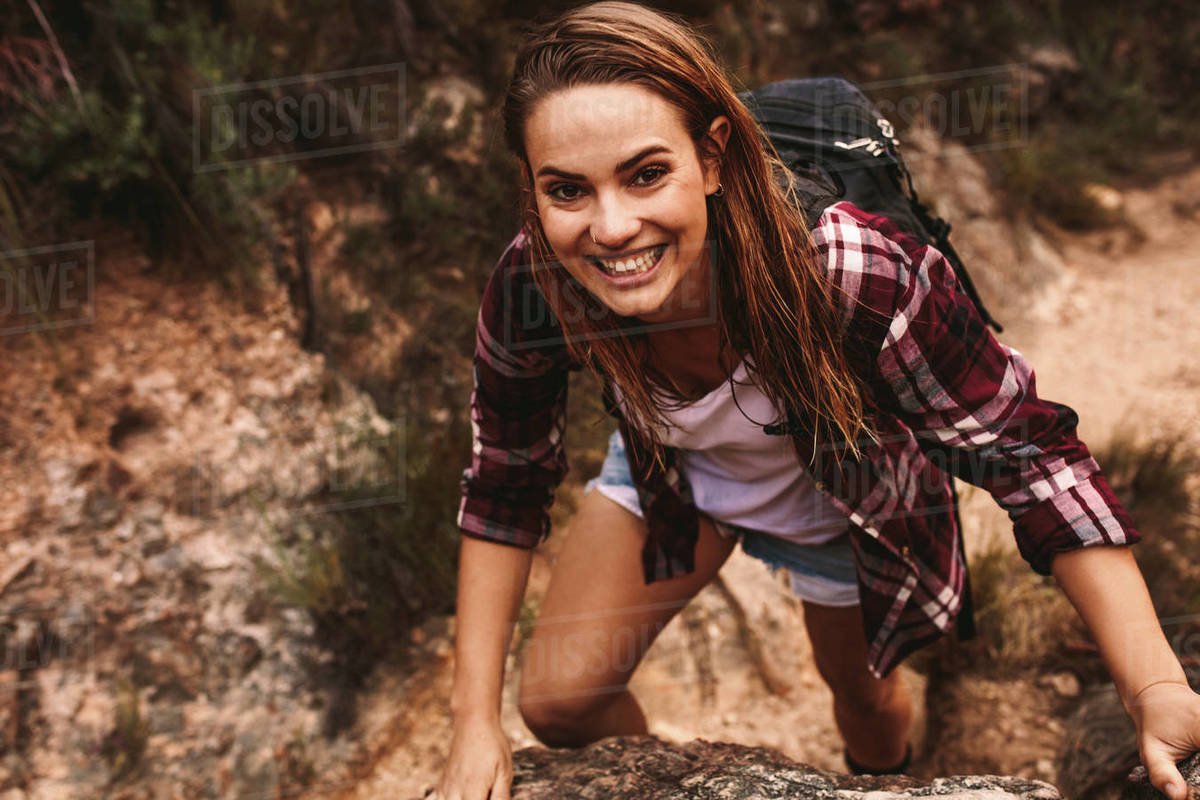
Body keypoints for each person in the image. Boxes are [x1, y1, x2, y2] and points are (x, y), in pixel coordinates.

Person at [435, 3, 1200, 799]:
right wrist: (472, 724)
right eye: (567, 190)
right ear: (530, 189)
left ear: (714, 156)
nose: (613, 227)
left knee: (865, 708)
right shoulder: (535, 281)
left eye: (647, 173)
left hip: (848, 494)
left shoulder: (848, 269)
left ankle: (887, 776)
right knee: (559, 702)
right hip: (675, 475)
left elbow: (1030, 455)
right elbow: (505, 483)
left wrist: (1152, 686)